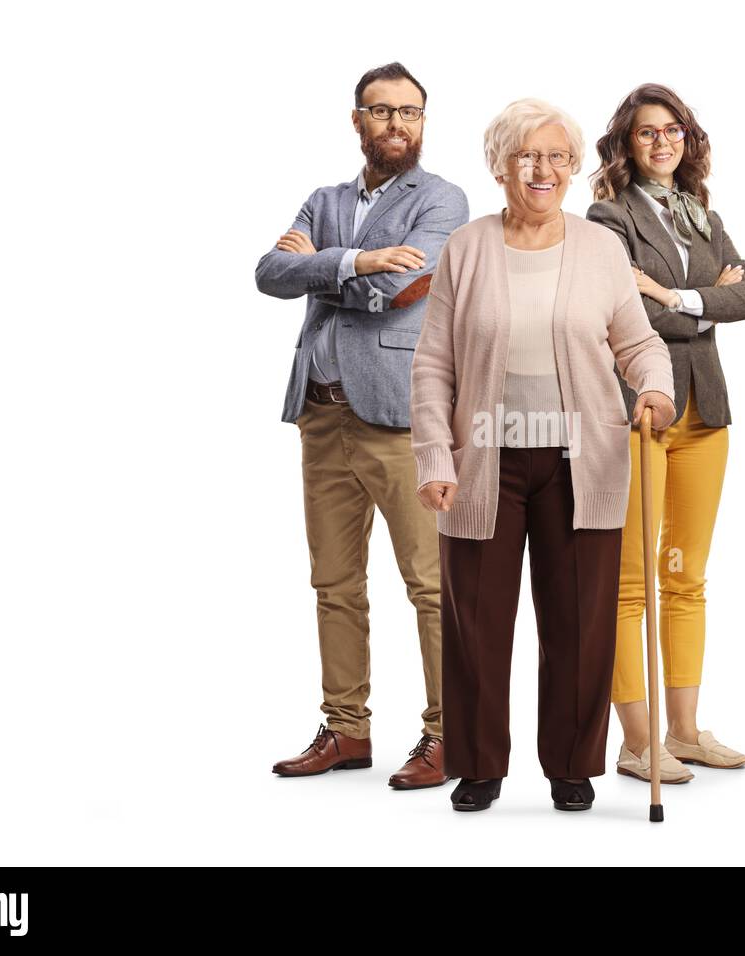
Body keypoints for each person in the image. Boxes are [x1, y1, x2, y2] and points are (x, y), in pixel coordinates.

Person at [409, 98, 675, 812]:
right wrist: (435, 456)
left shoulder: (598, 249)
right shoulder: (465, 248)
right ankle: (479, 765)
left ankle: (570, 765)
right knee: (476, 626)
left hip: (580, 462)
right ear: (501, 165)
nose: (544, 169)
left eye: (558, 156)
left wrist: (653, 388)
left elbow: (639, 343)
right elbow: (433, 364)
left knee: (582, 624)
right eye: (528, 154)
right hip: (483, 464)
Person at [255, 62, 469, 789]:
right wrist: (355, 259)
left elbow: (407, 285)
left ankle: (449, 735)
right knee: (334, 582)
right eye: (383, 112)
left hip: (397, 417)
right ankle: (346, 730)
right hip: (321, 414)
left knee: (431, 587)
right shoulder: (325, 199)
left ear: (423, 121)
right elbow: (267, 274)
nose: (397, 125)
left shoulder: (441, 198)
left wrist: (323, 269)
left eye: (411, 112)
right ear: (358, 121)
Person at [586, 83, 745, 782]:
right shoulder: (607, 217)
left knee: (685, 576)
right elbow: (614, 311)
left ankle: (684, 732)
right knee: (630, 583)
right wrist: (706, 303)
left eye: (673, 132)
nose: (661, 143)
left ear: (688, 141)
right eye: (646, 133)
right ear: (626, 147)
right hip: (639, 409)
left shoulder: (704, 217)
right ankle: (636, 744)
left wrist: (667, 294)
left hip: (704, 413)